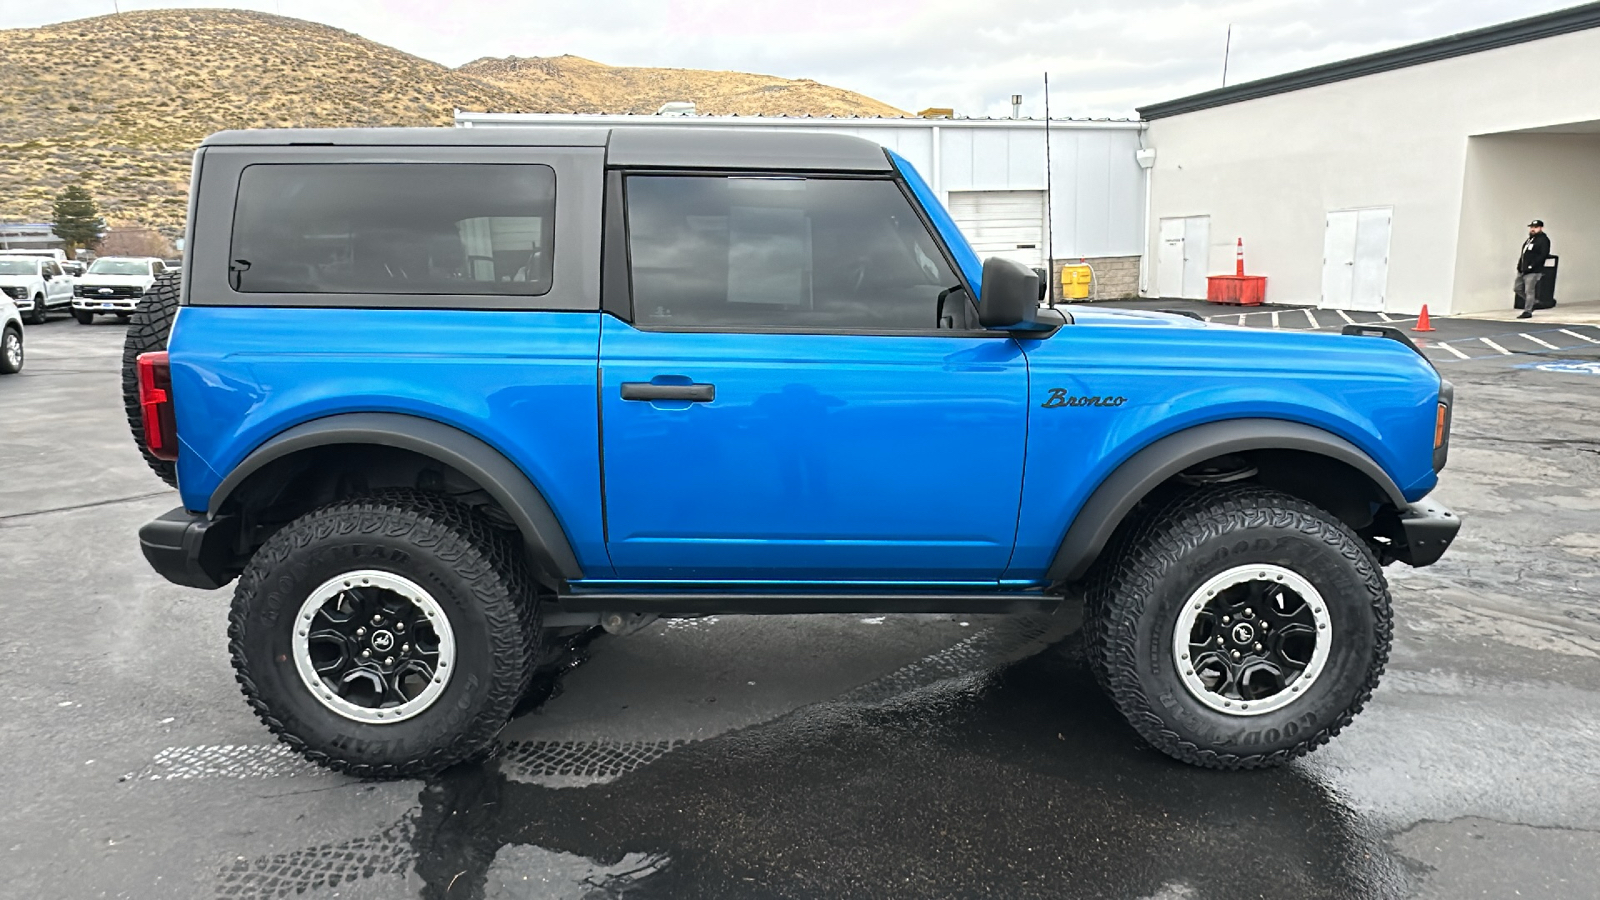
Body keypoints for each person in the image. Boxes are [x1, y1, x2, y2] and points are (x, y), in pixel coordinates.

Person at [1516, 219, 1551, 319]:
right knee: (1517, 288)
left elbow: (1543, 255)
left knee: (1529, 291)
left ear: (1541, 228)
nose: (1533, 229)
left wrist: (1532, 265)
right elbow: (1524, 254)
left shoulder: (1543, 240)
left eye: (1535, 227)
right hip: (1523, 269)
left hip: (1533, 270)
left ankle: (1528, 311)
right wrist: (1520, 266)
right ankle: (1534, 302)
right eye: (1531, 227)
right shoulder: (1529, 240)